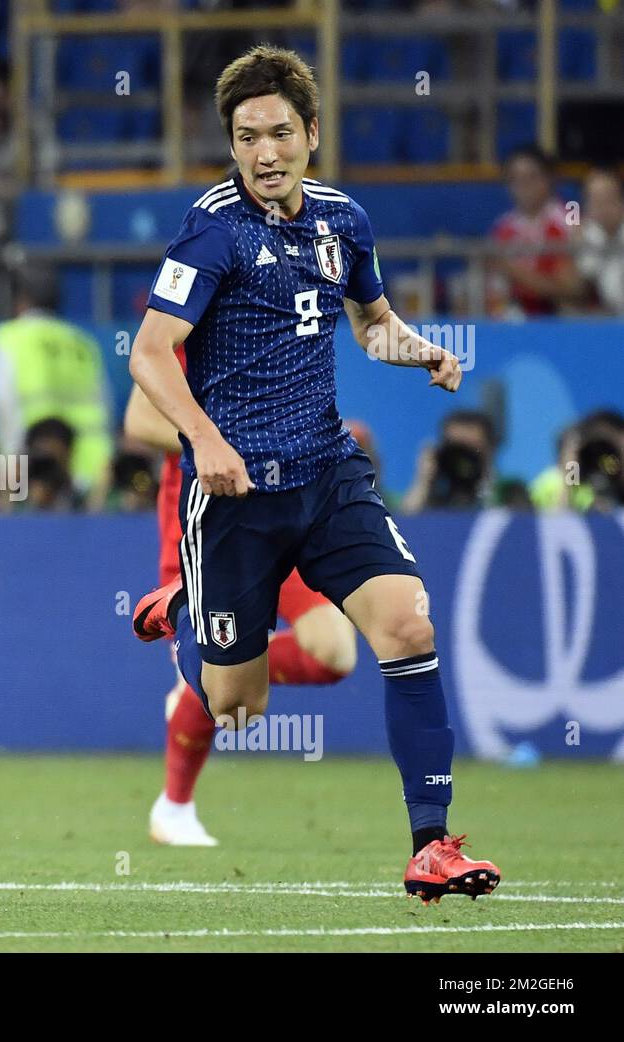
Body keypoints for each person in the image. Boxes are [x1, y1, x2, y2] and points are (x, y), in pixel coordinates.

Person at [127, 45, 500, 902]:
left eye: (280, 133)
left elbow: (371, 325)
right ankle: (187, 610)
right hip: (233, 499)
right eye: (247, 135)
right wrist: (204, 440)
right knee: (234, 704)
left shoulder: (344, 220)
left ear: (312, 135)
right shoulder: (211, 229)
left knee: (406, 626)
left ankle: (432, 843)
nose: (264, 152)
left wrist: (423, 352)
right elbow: (150, 356)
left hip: (329, 474)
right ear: (231, 143)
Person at [126, 377, 357, 846]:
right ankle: (174, 807)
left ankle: (204, 685)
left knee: (334, 652)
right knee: (231, 702)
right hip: (208, 521)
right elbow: (139, 420)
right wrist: (219, 439)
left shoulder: (286, 323)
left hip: (284, 513)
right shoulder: (190, 321)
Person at [0, 271, 114, 496]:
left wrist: (9, 468)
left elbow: (3, 403)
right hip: (93, 470)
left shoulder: (8, 337)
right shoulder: (83, 342)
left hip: (35, 469)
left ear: (22, 300)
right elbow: (106, 405)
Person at [487, 145, 582, 318]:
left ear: (549, 178)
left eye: (531, 177)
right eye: (515, 179)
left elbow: (573, 289)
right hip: (515, 317)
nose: (524, 186)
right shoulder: (503, 226)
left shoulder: (569, 219)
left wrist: (515, 273)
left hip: (559, 317)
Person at [575, 166, 624, 315]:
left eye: (608, 199)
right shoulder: (584, 237)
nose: (603, 208)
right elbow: (583, 283)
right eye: (595, 201)